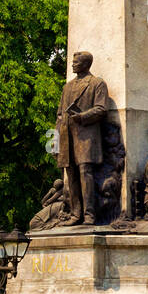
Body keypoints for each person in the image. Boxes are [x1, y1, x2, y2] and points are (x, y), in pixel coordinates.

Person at [56, 52, 110, 226]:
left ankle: (89, 215)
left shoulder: (96, 83)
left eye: (76, 62)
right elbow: (59, 114)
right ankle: (75, 214)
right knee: (70, 174)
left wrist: (82, 116)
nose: (72, 65)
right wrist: (55, 143)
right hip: (66, 137)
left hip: (86, 137)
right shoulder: (67, 87)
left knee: (85, 174)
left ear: (86, 64)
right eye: (72, 62)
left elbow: (101, 109)